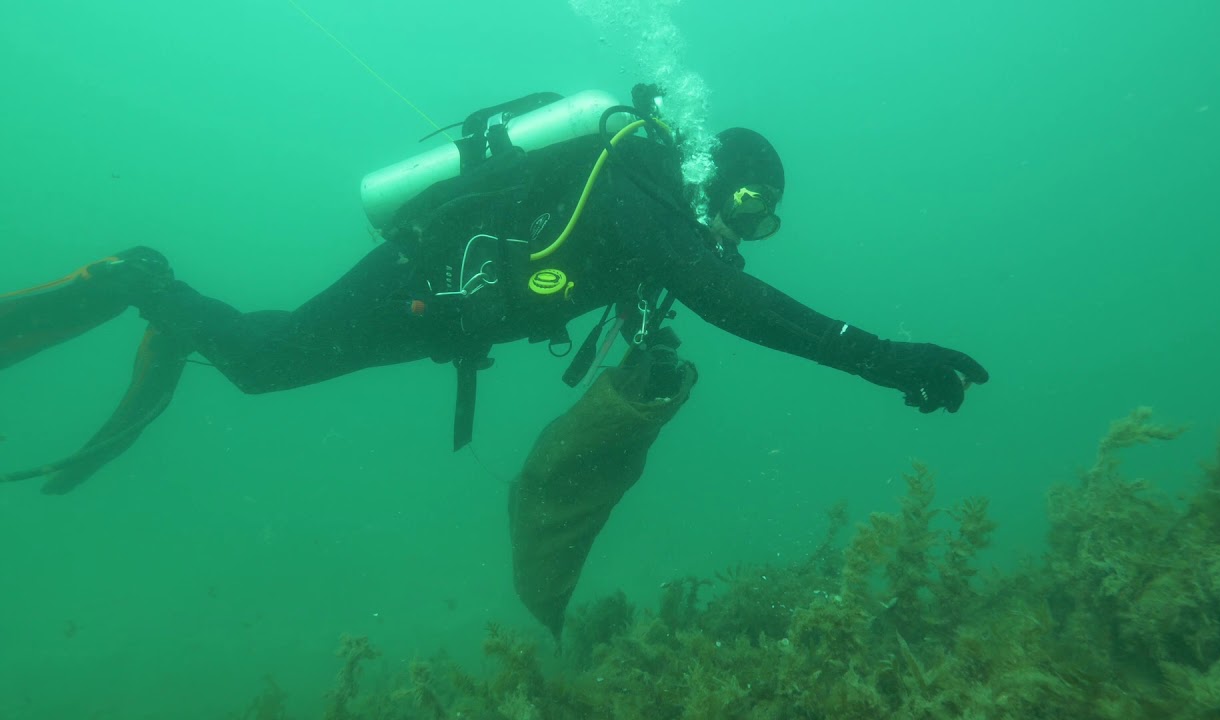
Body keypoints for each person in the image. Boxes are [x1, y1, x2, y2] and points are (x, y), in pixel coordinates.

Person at [0, 88, 988, 492]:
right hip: (430, 280)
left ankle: (171, 314)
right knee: (263, 365)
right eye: (746, 209)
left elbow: (704, 295)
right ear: (713, 178)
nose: (744, 234)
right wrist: (878, 354)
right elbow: (732, 301)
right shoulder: (644, 181)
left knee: (267, 356)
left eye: (762, 223)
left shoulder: (660, 223)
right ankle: (143, 284)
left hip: (451, 309)